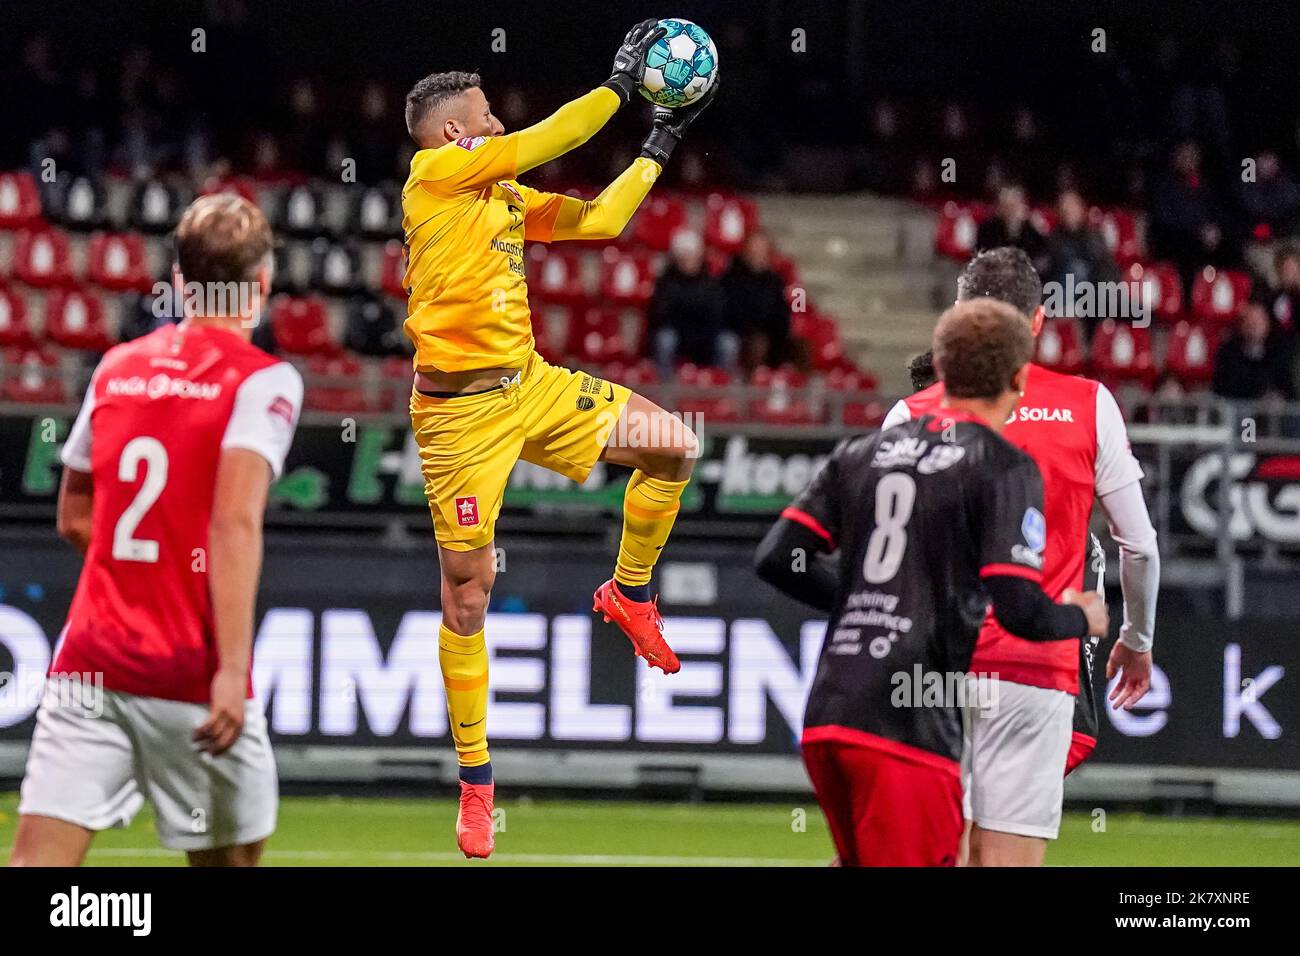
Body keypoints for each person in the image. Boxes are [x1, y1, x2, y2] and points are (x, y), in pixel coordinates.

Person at [398, 21, 718, 859]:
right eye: (487, 117)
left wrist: (661, 138)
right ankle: (476, 780)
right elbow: (550, 137)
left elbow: (601, 223)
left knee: (673, 447)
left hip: (529, 386)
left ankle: (630, 592)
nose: (500, 127)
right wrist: (618, 84)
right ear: (452, 133)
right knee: (466, 595)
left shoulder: (500, 196)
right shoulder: (434, 175)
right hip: (459, 417)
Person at [755, 298, 1108, 867]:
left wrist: (856, 604)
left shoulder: (861, 453)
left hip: (831, 711)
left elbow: (777, 558)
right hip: (910, 723)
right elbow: (1019, 609)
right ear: (1019, 377)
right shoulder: (1002, 464)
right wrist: (1081, 618)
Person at [9, 195, 302, 867]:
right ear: (261, 284)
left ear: (178, 282)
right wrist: (232, 669)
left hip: (90, 664)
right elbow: (233, 522)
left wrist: (141, 575)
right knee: (229, 861)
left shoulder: (117, 366)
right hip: (191, 673)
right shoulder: (264, 381)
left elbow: (74, 515)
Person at [883, 247, 1160, 866]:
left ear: (956, 319)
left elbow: (886, 554)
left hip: (930, 671)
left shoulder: (911, 414)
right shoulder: (1090, 405)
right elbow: (1138, 545)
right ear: (1036, 323)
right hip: (1034, 670)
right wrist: (1137, 640)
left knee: (933, 854)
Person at [647, 228, 733, 371]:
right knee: (665, 339)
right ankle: (666, 389)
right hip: (678, 337)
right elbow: (659, 317)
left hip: (706, 338)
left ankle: (723, 387)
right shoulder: (665, 283)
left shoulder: (711, 283)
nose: (688, 259)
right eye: (683, 255)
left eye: (692, 254)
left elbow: (718, 315)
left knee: (728, 343)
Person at [719, 230, 795, 371]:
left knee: (799, 344)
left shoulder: (775, 279)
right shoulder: (731, 277)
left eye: (762, 249)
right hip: (741, 332)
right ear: (746, 251)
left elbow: (782, 311)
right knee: (758, 343)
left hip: (769, 331)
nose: (758, 253)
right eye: (754, 248)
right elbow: (730, 312)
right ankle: (756, 384)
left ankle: (796, 385)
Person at [1212, 301, 1296, 401]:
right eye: (1249, 322)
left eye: (1258, 321)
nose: (1254, 326)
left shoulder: (1279, 351)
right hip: (1239, 409)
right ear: (1241, 325)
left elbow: (1286, 385)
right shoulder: (1227, 353)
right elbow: (1225, 386)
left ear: (1267, 323)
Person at [975, 184, 1049, 274]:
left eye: (1015, 204)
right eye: (1007, 205)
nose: (1012, 210)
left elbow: (1042, 259)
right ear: (999, 208)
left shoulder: (1032, 230)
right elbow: (984, 259)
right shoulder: (987, 230)